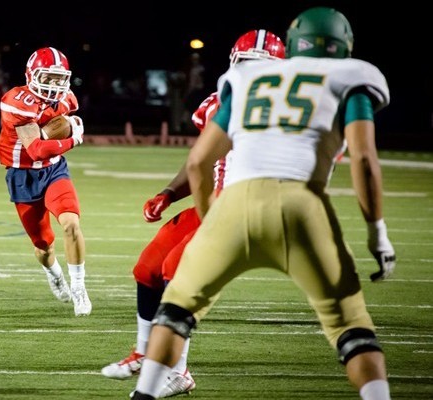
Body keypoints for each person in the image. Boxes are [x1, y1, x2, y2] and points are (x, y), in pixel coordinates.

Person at [131, 7, 395, 399]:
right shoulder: (354, 77)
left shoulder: (241, 80)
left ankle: (145, 393)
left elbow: (199, 161)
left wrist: (211, 223)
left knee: (177, 308)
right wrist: (378, 233)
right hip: (303, 210)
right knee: (351, 328)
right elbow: (365, 161)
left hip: (236, 206)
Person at [103, 30, 286, 397]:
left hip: (243, 211)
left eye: (260, 68)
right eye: (246, 66)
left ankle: (178, 371)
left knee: (177, 270)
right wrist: (169, 193)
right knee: (148, 268)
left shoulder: (285, 116)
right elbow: (201, 162)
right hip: (211, 204)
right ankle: (143, 349)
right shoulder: (218, 104)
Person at [0, 47, 91, 316]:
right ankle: (54, 272)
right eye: (48, 78)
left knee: (71, 224)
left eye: (59, 79)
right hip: (22, 174)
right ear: (31, 75)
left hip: (54, 170)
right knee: (43, 246)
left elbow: (63, 119)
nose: (54, 85)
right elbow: (35, 149)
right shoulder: (17, 102)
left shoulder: (67, 99)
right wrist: (73, 138)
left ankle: (79, 288)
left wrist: (67, 124)